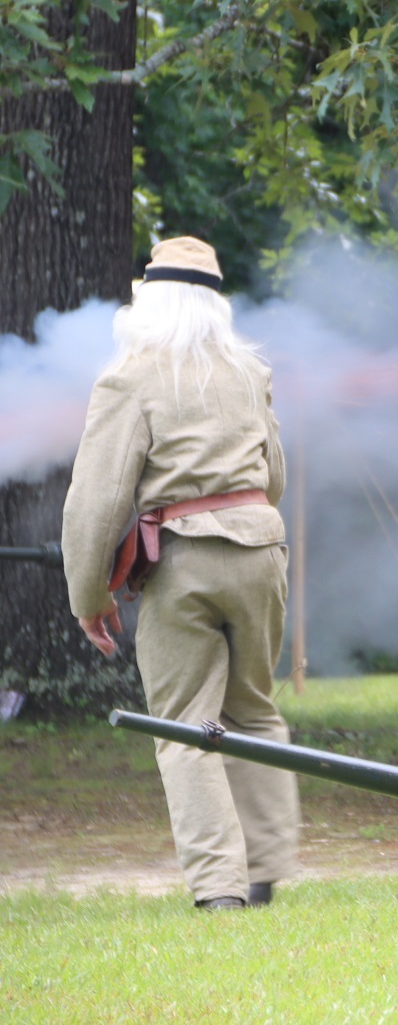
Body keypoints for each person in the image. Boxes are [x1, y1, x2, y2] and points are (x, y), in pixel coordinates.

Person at [63, 237, 300, 911]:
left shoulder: (129, 376)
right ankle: (264, 872)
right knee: (254, 711)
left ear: (151, 300)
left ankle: (220, 890)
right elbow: (274, 476)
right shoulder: (249, 371)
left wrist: (89, 595)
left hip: (183, 559)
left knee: (183, 726)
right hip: (261, 550)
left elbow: (97, 500)